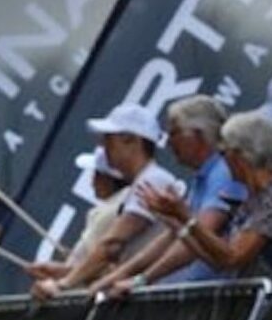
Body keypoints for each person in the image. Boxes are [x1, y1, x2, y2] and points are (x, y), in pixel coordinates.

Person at [30, 103, 180, 300]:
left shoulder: (153, 180)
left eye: (109, 139)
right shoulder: (145, 181)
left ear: (131, 140)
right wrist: (64, 273)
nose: (103, 146)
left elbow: (111, 245)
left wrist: (63, 284)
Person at [96, 95, 236, 295]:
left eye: (175, 133)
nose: (169, 142)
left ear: (198, 135)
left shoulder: (223, 173)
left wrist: (140, 280)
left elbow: (198, 237)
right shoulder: (202, 178)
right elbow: (172, 236)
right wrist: (122, 276)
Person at [141, 111, 272, 278]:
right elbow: (219, 261)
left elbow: (233, 257)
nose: (222, 161)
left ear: (238, 155)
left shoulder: (268, 199)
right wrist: (179, 222)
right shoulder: (252, 200)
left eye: (223, 153)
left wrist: (186, 217)